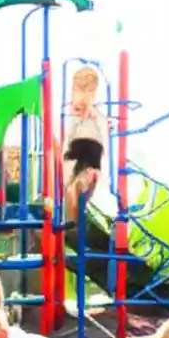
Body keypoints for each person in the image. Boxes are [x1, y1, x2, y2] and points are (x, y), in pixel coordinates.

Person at [62, 66, 108, 224]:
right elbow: (69, 137)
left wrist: (87, 109)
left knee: (75, 188)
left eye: (87, 91)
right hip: (80, 156)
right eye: (77, 90)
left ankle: (76, 225)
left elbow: (94, 116)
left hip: (89, 157)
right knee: (70, 189)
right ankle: (74, 223)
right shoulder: (75, 118)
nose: (80, 96)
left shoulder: (94, 114)